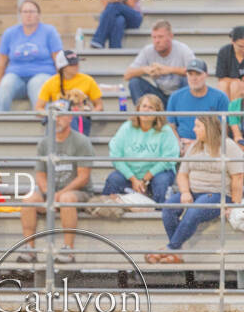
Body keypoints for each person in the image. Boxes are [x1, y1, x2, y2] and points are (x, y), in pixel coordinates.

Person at [150, 115, 244, 263]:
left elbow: (238, 177)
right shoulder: (195, 146)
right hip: (193, 191)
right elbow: (182, 174)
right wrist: (185, 192)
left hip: (217, 193)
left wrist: (234, 204)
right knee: (168, 208)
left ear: (209, 128)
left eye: (198, 126)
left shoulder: (228, 146)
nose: (194, 129)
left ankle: (171, 249)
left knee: (194, 210)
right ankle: (176, 253)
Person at [18, 100, 95, 263]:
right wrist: (48, 193)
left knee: (67, 199)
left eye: (60, 115)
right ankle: (29, 248)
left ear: (69, 117)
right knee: (28, 200)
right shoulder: (44, 143)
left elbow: (83, 177)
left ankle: (68, 249)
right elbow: (40, 174)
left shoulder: (81, 141)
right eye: (53, 116)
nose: (56, 119)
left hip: (78, 191)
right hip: (52, 191)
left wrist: (59, 194)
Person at [102, 94, 179, 204]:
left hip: (157, 173)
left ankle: (159, 213)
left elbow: (168, 159)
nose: (146, 110)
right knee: (114, 179)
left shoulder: (165, 131)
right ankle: (108, 210)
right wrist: (133, 179)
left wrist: (144, 179)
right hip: (131, 174)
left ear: (158, 113)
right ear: (138, 109)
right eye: (144, 106)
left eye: (151, 108)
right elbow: (115, 155)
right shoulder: (127, 127)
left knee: (161, 181)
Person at [0, 0, 63, 112]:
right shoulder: (9, 33)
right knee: (5, 85)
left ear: (39, 14)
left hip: (43, 74)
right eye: (25, 12)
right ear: (20, 14)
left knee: (36, 85)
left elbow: (58, 59)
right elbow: (2, 63)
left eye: (32, 11)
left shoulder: (49, 32)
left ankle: (42, 125)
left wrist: (61, 85)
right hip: (16, 76)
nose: (28, 15)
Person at [167, 58, 229, 154]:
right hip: (183, 148)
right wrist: (179, 144)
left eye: (198, 74)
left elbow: (223, 130)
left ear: (206, 75)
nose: (194, 78)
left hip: (211, 147)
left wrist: (197, 144)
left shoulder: (220, 97)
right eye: (190, 74)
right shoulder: (175, 97)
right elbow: (171, 127)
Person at [124, 20, 192, 105]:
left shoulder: (182, 49)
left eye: (160, 37)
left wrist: (169, 70)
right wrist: (145, 70)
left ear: (171, 36)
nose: (157, 41)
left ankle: (185, 114)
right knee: (134, 82)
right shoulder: (148, 51)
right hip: (159, 96)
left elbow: (196, 72)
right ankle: (141, 115)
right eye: (154, 37)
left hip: (179, 95)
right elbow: (127, 75)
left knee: (188, 78)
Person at [36, 50, 102, 135]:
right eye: (72, 64)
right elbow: (38, 108)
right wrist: (52, 113)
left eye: (77, 63)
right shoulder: (51, 82)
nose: (76, 66)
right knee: (58, 118)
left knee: (71, 117)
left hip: (79, 118)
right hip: (58, 118)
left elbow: (99, 106)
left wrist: (88, 112)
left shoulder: (88, 80)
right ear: (62, 67)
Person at [215, 25, 244, 100]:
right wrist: (237, 81)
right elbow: (221, 78)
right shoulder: (224, 52)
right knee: (222, 85)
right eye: (240, 46)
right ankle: (226, 110)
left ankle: (235, 111)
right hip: (229, 86)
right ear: (232, 42)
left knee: (235, 86)